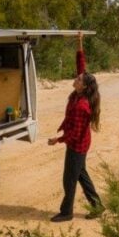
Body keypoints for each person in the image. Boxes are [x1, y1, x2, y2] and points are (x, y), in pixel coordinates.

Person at [47, 71, 103, 222]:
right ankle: (97, 206)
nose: (75, 79)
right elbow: (81, 64)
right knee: (80, 174)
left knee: (69, 179)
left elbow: (75, 133)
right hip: (80, 143)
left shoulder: (81, 106)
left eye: (78, 79)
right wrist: (79, 49)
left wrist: (57, 140)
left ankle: (66, 213)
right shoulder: (79, 95)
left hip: (77, 146)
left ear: (83, 86)